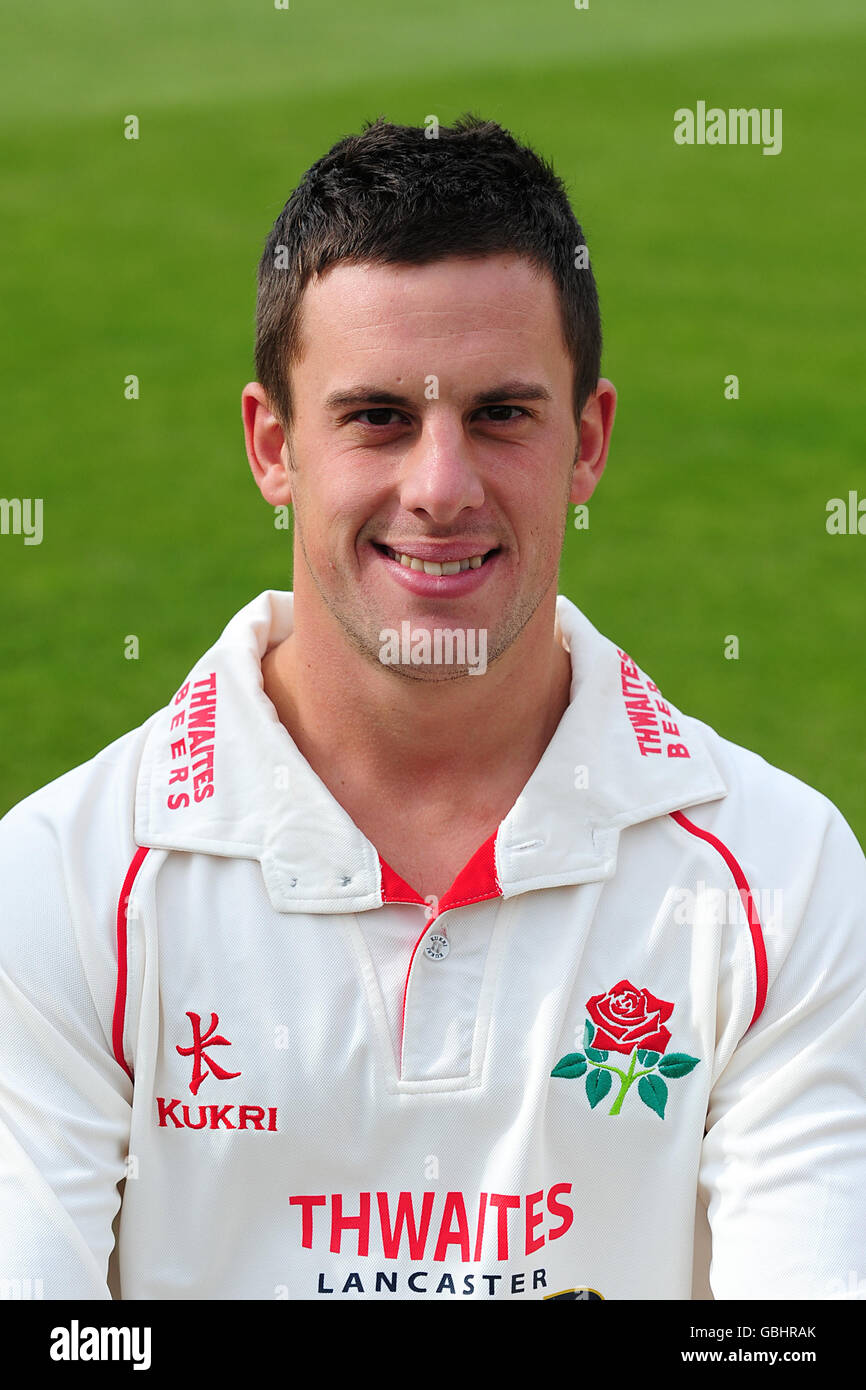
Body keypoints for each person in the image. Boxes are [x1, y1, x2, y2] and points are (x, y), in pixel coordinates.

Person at [1, 114, 863, 1303]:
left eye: (501, 414)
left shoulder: (784, 873)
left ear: (587, 442)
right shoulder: (56, 883)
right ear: (272, 446)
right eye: (377, 418)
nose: (440, 487)